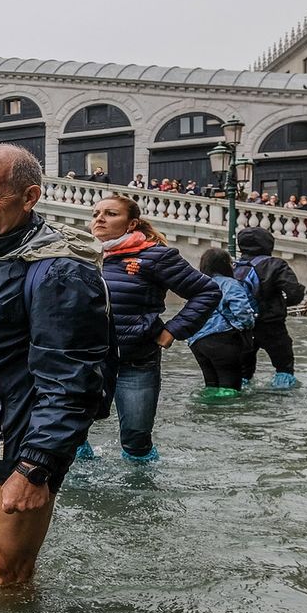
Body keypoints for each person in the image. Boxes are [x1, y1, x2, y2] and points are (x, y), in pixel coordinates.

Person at [0, 144, 112, 586]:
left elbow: (73, 381)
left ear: (29, 197)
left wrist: (36, 465)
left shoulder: (59, 272)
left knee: (3, 575)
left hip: (13, 449)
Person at [85, 195, 220, 461]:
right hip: (88, 360)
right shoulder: (82, 256)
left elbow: (207, 291)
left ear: (132, 223)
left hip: (136, 361)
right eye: (96, 213)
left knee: (136, 438)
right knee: (72, 432)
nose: (99, 218)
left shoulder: (156, 256)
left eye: (111, 213)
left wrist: (173, 330)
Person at [235, 227, 306, 389]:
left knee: (243, 371)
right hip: (271, 324)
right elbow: (294, 292)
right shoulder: (276, 264)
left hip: (243, 326)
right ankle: (282, 397)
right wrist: (283, 304)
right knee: (284, 366)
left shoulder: (236, 266)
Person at [186, 248, 255, 397]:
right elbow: (242, 310)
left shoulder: (197, 284)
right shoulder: (230, 284)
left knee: (211, 385)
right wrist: (247, 325)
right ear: (225, 265)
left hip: (196, 342)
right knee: (230, 386)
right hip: (222, 340)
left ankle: (207, 411)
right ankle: (226, 415)